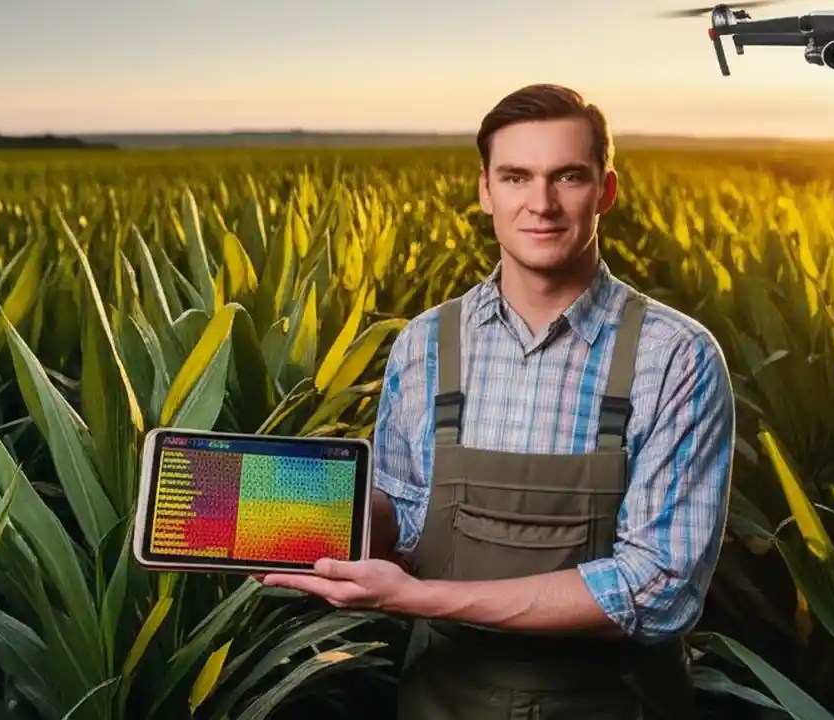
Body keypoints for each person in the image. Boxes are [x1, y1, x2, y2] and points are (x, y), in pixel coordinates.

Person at [262, 83, 735, 719]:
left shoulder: (674, 356)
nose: (541, 204)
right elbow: (407, 513)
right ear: (485, 190)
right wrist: (302, 512)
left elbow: (658, 590)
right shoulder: (425, 343)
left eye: (567, 176)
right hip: (442, 700)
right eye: (516, 177)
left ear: (606, 191)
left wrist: (416, 599)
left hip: (611, 705)